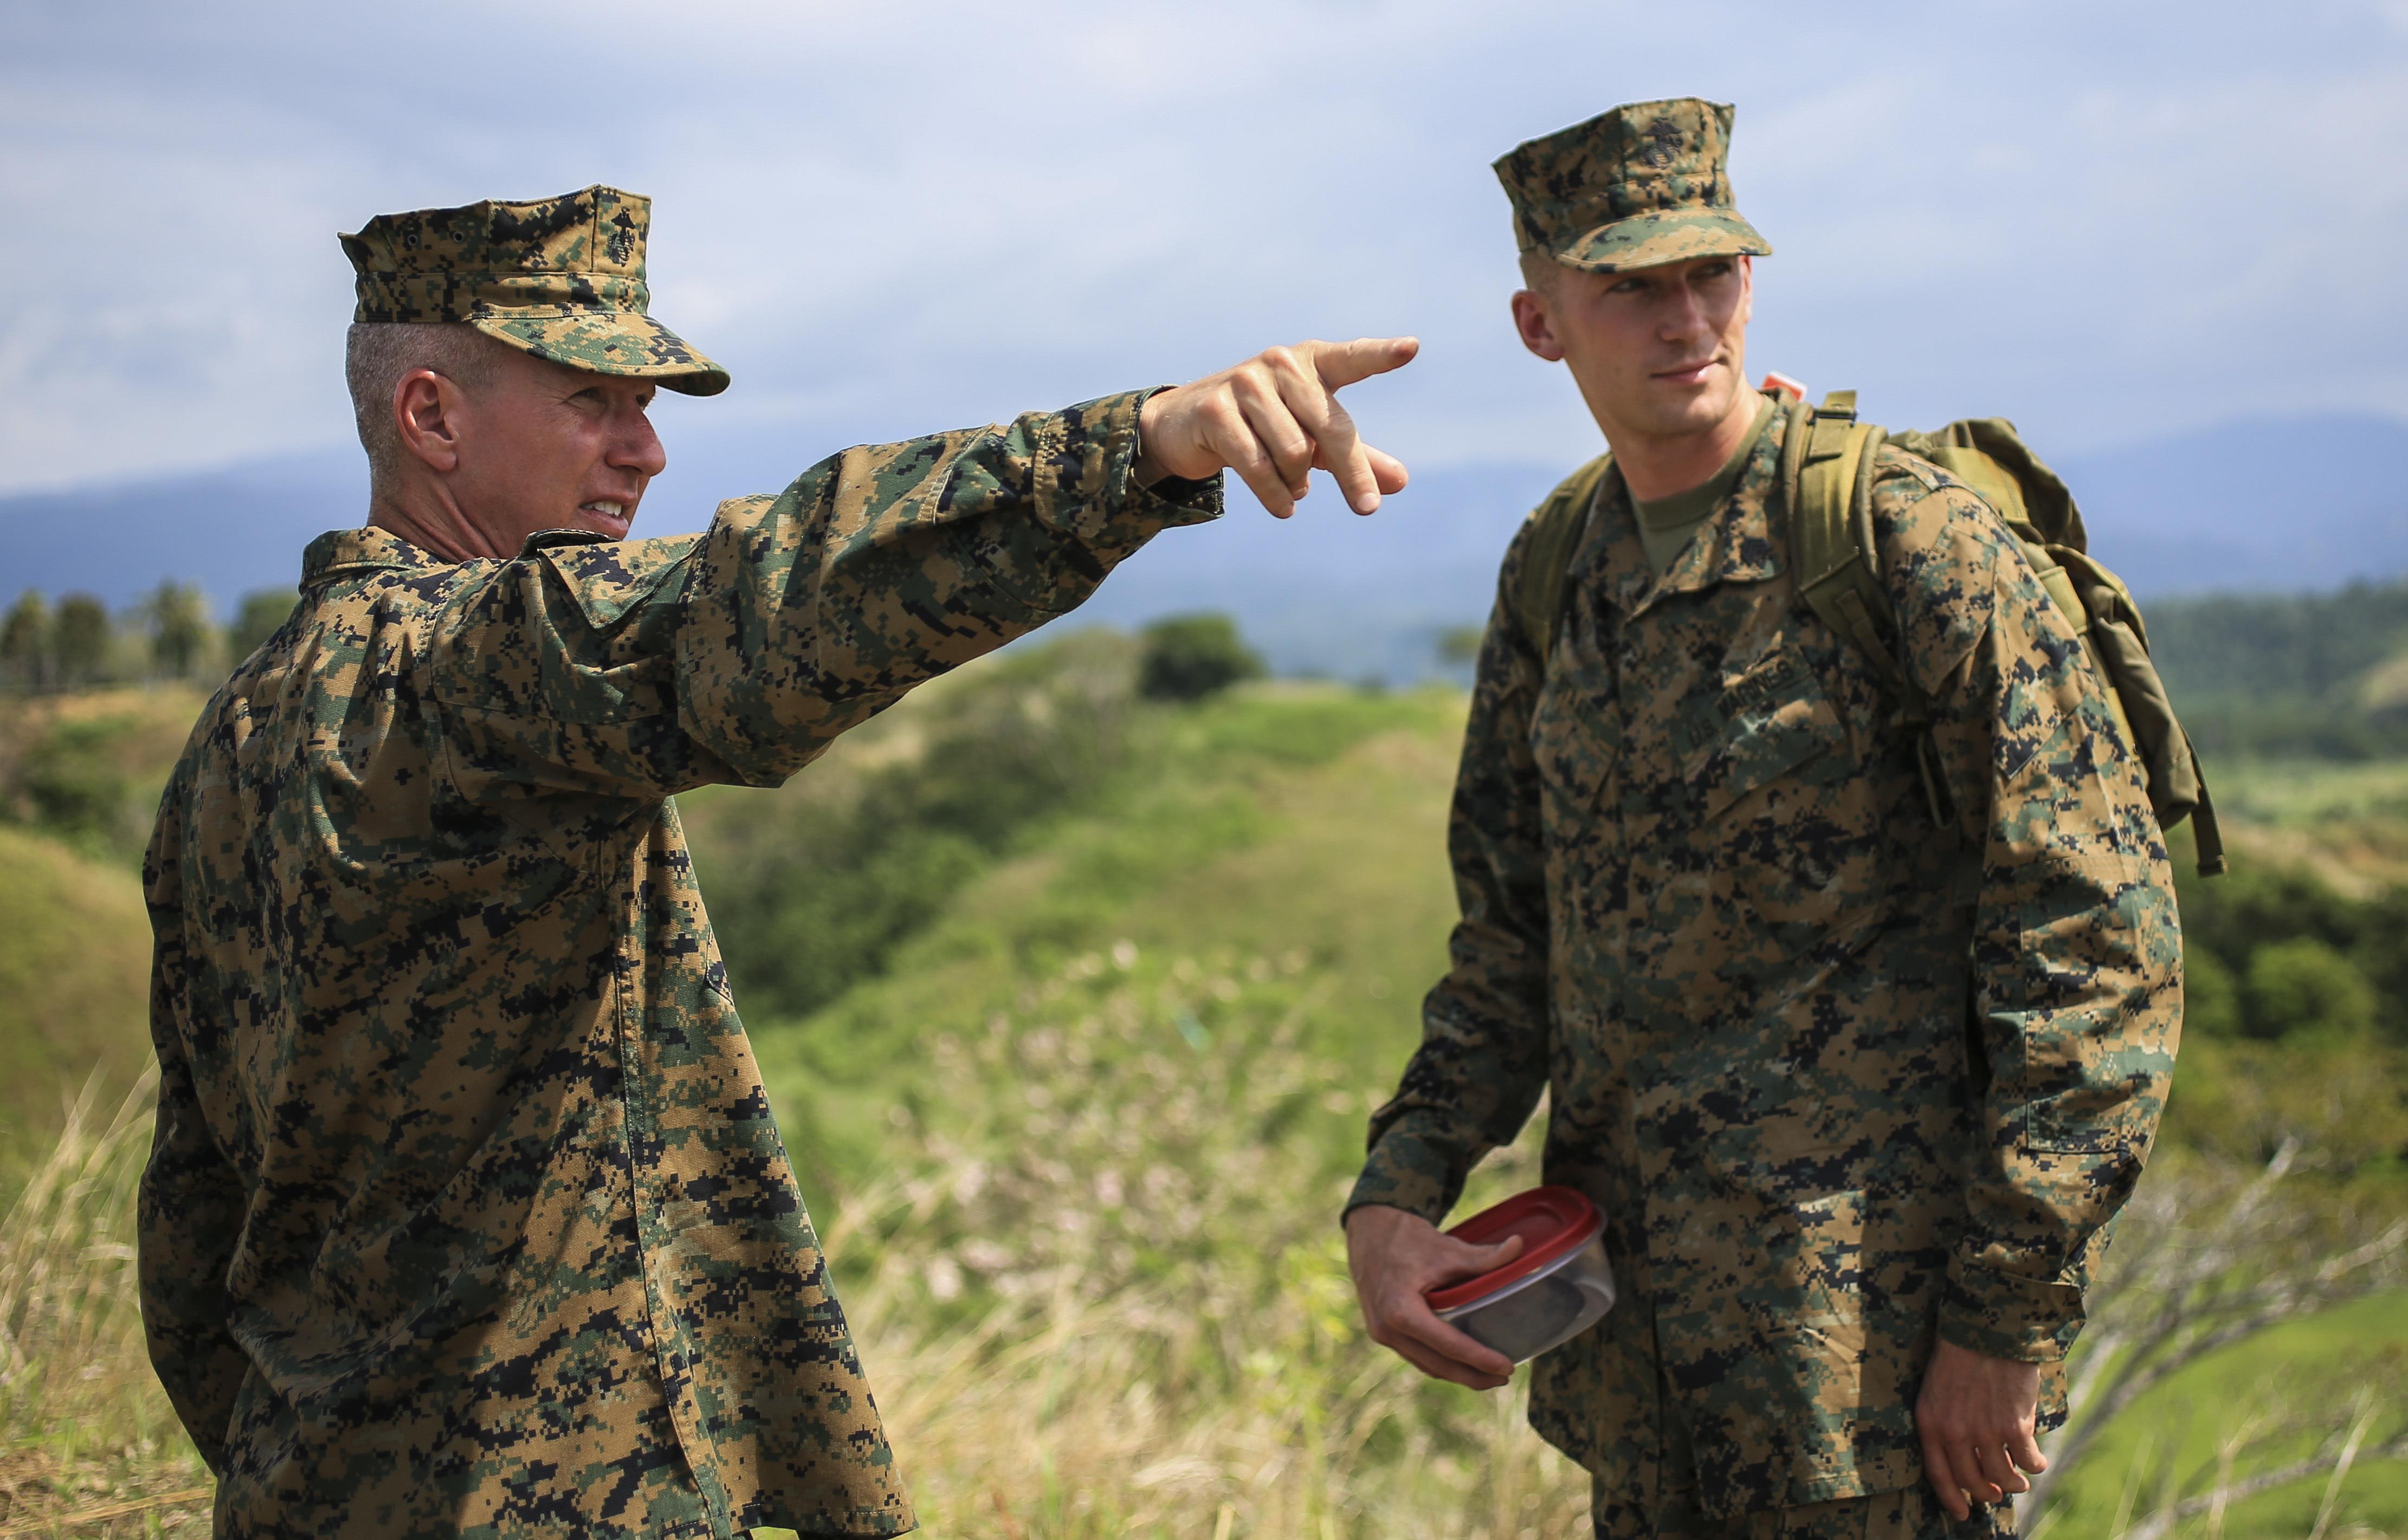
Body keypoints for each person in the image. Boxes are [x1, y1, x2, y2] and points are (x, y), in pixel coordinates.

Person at [139, 184, 1415, 1538]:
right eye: (591, 399)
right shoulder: (474, 667)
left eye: (650, 410)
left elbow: (192, 1224)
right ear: (432, 418)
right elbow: (773, 600)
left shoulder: (230, 741)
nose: (645, 453)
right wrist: (1139, 449)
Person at [1341, 100, 2182, 1540]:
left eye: (1712, 273)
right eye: (1630, 286)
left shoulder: (1903, 542)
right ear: (1541, 322)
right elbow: (1511, 940)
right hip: (1642, 1352)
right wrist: (1398, 1185)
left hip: (1873, 1353)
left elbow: (2096, 947)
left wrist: (2002, 1313)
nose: (1687, 320)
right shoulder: (1558, 567)